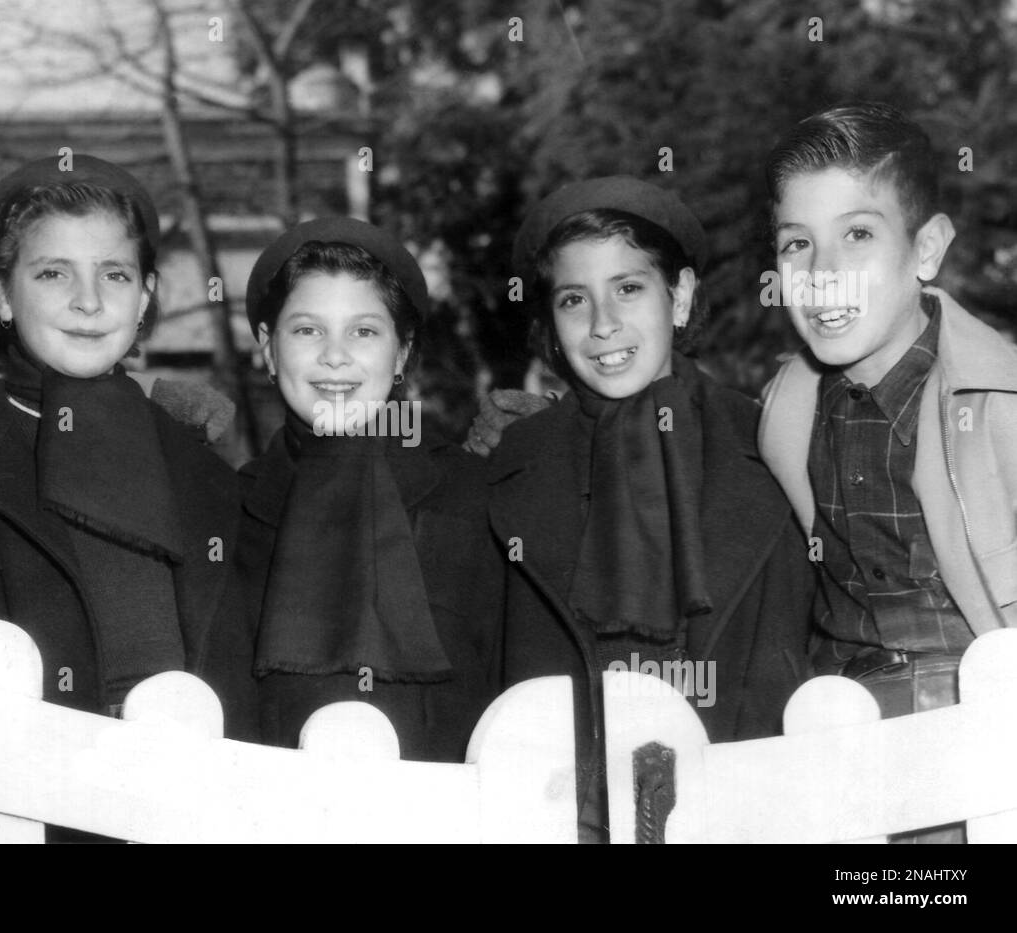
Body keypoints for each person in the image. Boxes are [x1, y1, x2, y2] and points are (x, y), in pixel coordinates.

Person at [489, 176, 814, 842]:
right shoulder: (508, 466)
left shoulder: (772, 445)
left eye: (629, 288)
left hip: (743, 814)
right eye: (575, 298)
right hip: (560, 818)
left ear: (682, 295)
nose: (603, 324)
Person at [758, 102, 1017, 842]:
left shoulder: (999, 402)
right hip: (840, 752)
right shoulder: (786, 412)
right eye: (797, 244)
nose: (825, 275)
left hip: (984, 749)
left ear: (927, 248)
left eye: (859, 235)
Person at [0, 156, 258, 749]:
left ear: (144, 297)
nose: (88, 302)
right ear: (0, 293)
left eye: (114, 275)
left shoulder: (196, 458)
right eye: (53, 274)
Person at [239, 218, 502, 762]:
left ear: (402, 352)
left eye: (364, 331)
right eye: (308, 330)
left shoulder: (476, 497)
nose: (336, 357)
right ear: (268, 348)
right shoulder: (226, 506)